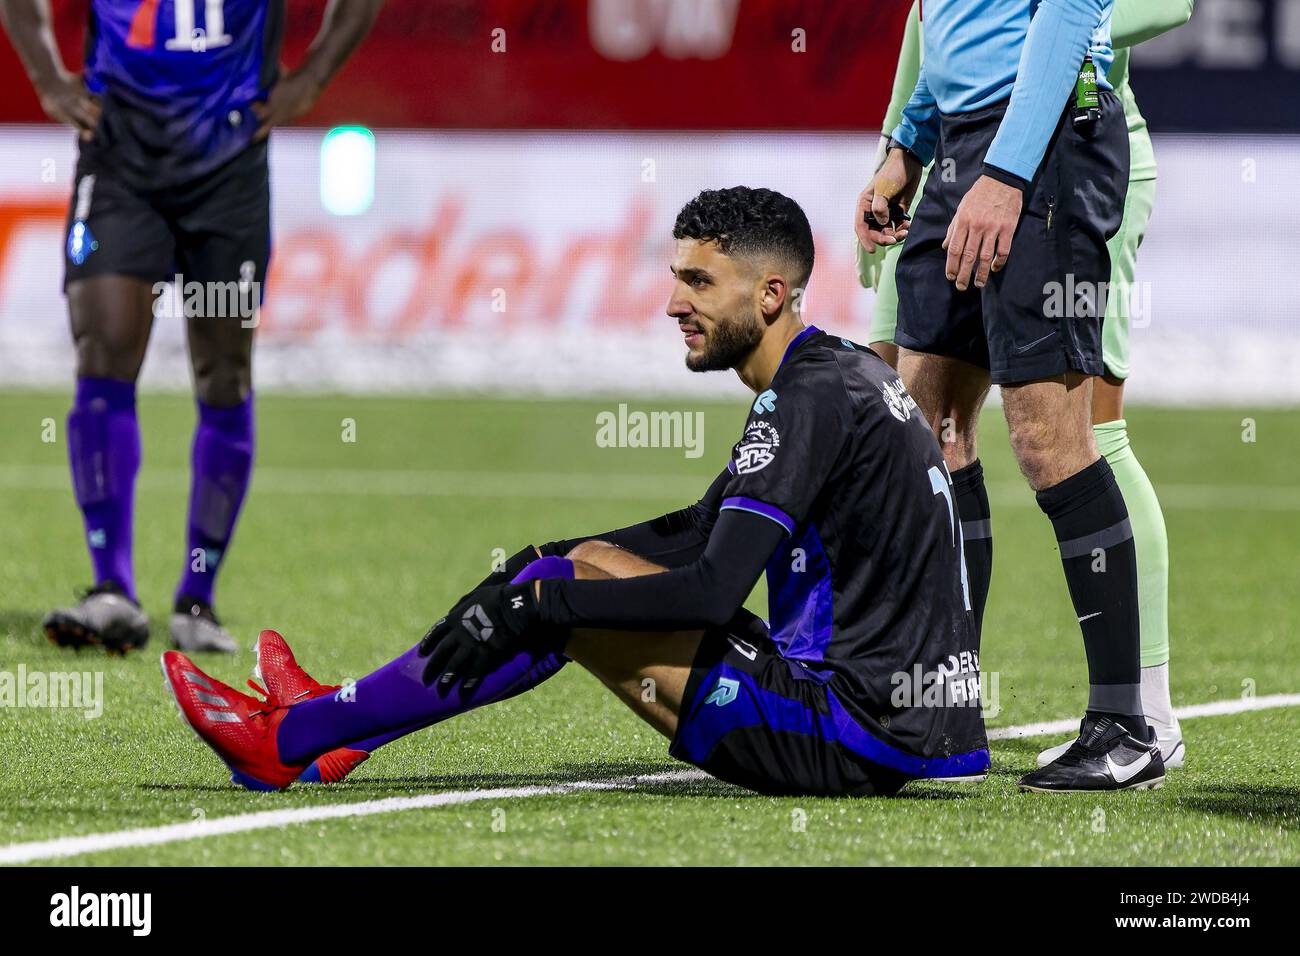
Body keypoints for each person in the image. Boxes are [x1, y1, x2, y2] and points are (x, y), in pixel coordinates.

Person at [162, 187, 992, 797]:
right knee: (574, 568)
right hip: (901, 718)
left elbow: (710, 589)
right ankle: (334, 727)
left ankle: (295, 739)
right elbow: (705, 528)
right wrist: (539, 562)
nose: (674, 304)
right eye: (677, 278)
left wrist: (542, 604)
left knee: (564, 596)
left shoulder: (806, 398)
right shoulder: (836, 372)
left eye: (700, 283)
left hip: (850, 732)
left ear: (770, 294)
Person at [856, 0, 1193, 770]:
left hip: (1041, 139)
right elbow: (944, 21)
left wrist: (1006, 171)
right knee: (928, 428)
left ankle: (1126, 725)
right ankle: (943, 703)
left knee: (1051, 437)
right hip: (958, 135)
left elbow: (1075, 8)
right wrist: (907, 145)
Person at [0, 0, 382, 654]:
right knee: (102, 357)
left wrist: (313, 77)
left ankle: (196, 599)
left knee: (224, 373)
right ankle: (111, 590)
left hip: (227, 172)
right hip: (119, 164)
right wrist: (48, 79)